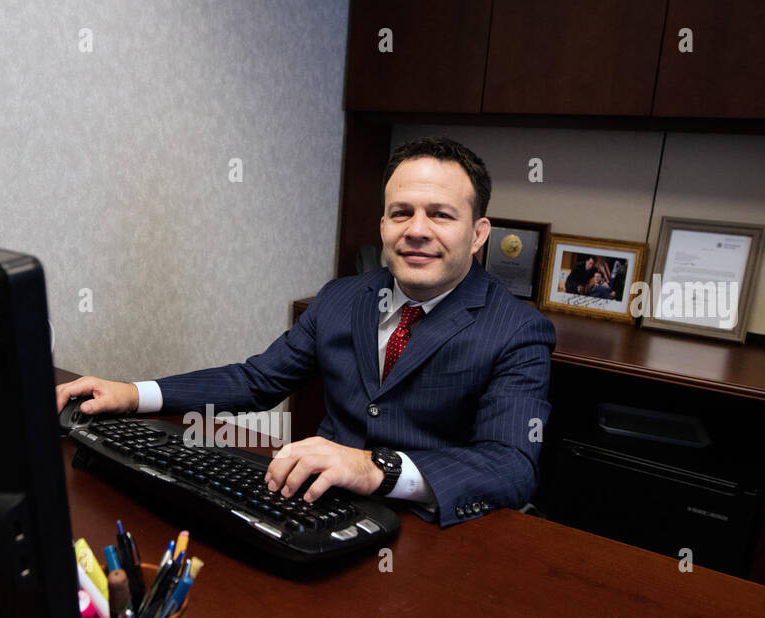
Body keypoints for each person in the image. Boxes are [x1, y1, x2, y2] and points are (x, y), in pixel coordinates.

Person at [55, 137, 555, 527]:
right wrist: (133, 393)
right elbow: (256, 381)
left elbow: (512, 467)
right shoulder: (340, 299)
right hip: (313, 509)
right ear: (383, 223)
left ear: (479, 233)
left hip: (431, 528)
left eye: (441, 215)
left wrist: (374, 467)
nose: (417, 230)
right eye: (401, 212)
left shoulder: (518, 331)